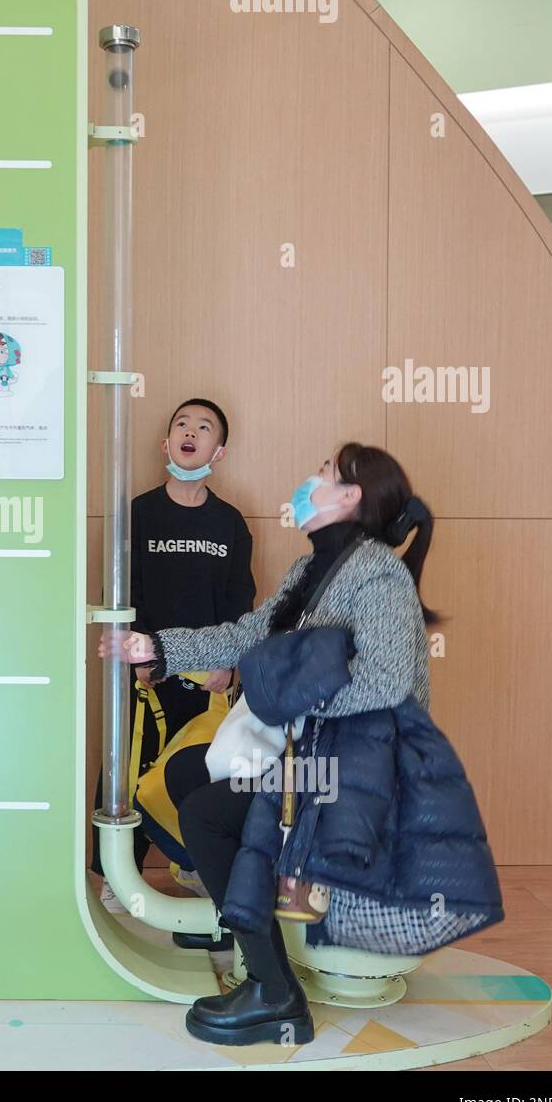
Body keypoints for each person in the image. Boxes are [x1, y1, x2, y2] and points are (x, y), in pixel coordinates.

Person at [100, 443, 438, 1046]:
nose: (309, 481)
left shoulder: (378, 575)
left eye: (325, 474)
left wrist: (290, 694)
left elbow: (385, 685)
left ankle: (275, 992)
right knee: (185, 775)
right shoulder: (312, 574)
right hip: (316, 764)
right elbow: (245, 636)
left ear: (351, 496)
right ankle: (239, 925)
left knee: (208, 812)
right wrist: (156, 648)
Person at [92, 398, 255, 910]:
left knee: (200, 769)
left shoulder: (229, 524)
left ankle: (195, 865)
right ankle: (116, 875)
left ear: (219, 450)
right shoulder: (138, 513)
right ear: (166, 444)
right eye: (181, 425)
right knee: (127, 770)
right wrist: (137, 653)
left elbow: (239, 602)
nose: (191, 432)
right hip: (145, 672)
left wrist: (230, 662)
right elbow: (121, 591)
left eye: (203, 427)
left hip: (208, 680)